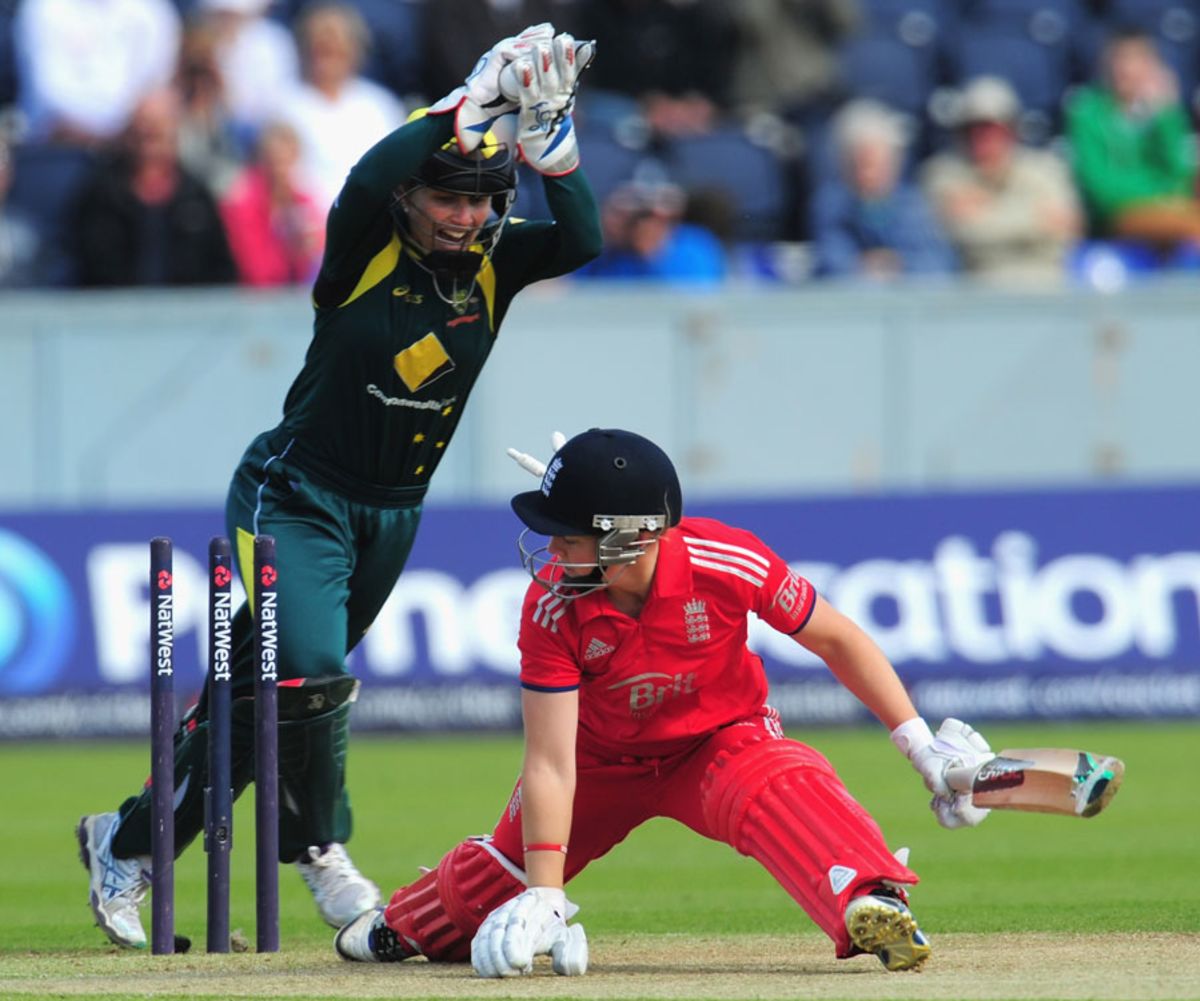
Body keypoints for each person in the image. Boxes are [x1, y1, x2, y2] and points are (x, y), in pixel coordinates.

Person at [76, 24, 602, 948]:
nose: (463, 218)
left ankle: (123, 840)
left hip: (391, 517)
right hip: (298, 494)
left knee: (261, 704)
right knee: (311, 672)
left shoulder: (493, 264)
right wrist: (468, 101)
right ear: (409, 200)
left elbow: (584, 236)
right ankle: (322, 847)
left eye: (480, 204)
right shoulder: (362, 252)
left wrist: (554, 145)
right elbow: (370, 171)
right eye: (445, 198)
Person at [333, 428, 995, 977]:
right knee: (488, 896)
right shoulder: (552, 608)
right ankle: (400, 920)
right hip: (600, 761)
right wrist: (543, 889)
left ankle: (870, 899)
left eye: (568, 533)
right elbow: (550, 762)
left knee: (783, 778)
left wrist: (920, 744)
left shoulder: (724, 559)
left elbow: (838, 639)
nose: (552, 548)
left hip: (719, 739)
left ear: (630, 536)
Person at [921, 76, 1082, 287]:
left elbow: (1066, 229)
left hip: (1045, 289)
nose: (983, 136)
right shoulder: (944, 173)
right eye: (973, 128)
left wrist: (986, 210)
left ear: (1011, 129)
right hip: (976, 291)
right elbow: (962, 231)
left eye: (992, 127)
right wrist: (1034, 217)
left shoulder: (1045, 170)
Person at [71, 87, 238, 287]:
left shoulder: (197, 197)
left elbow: (221, 272)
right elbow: (89, 268)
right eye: (143, 128)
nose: (149, 133)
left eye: (158, 129)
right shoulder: (101, 195)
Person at [1065, 27, 1200, 257]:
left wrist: (1165, 117)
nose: (1127, 69)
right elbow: (1101, 189)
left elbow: (1179, 175)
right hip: (1114, 220)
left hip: (1168, 215)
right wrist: (1159, 198)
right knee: (1192, 225)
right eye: (1121, 58)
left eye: (1137, 59)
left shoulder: (1164, 113)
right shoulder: (1086, 112)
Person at [277, 2, 406, 210]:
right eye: (319, 46)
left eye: (336, 46)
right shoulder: (283, 105)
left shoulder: (380, 104)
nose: (328, 53)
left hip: (373, 220)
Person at [810, 99, 955, 280]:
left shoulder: (913, 204)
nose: (867, 172)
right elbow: (832, 264)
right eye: (859, 162)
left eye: (874, 162)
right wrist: (867, 269)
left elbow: (938, 266)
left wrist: (895, 264)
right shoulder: (832, 205)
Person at [219, 120, 326, 286]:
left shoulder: (303, 201)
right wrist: (292, 252)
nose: (279, 170)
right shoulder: (243, 203)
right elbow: (255, 271)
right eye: (274, 161)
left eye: (286, 161)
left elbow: (319, 259)